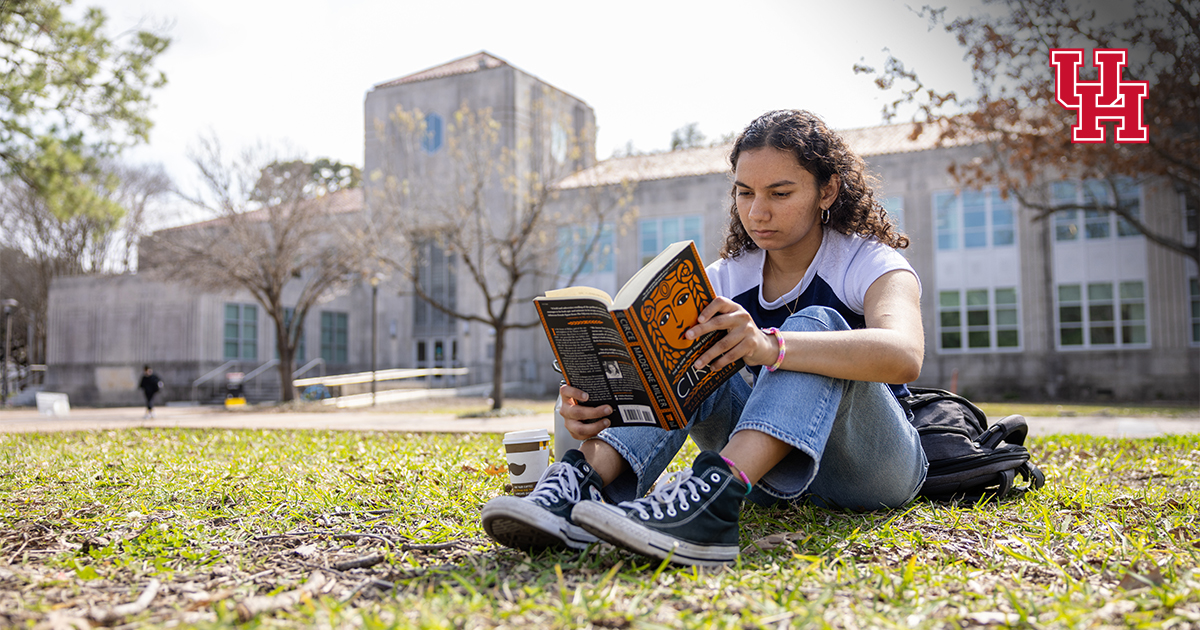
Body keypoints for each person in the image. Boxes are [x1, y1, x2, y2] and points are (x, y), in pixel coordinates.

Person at [482, 109, 927, 566]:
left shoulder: (870, 261)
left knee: (814, 324)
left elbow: (905, 354)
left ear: (827, 190)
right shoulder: (724, 279)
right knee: (669, 356)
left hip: (875, 469)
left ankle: (713, 507)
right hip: (770, 481)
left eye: (780, 192)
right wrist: (598, 403)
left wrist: (770, 344)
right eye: (745, 193)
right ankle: (578, 486)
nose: (757, 211)